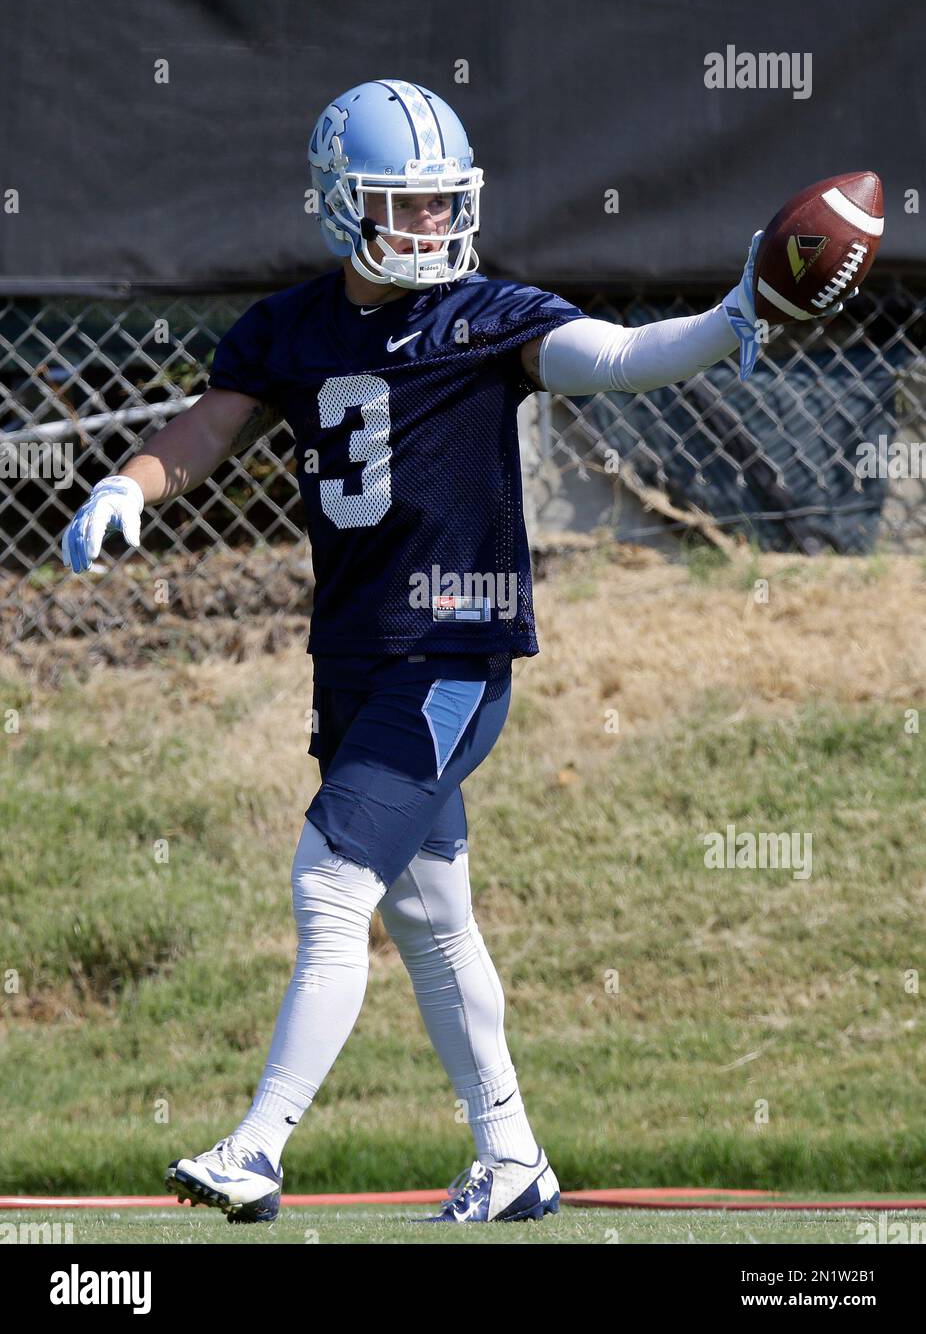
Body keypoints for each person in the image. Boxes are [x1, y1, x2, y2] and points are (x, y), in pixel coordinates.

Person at [61, 78, 843, 1224]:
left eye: (443, 202)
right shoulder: (288, 326)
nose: (433, 224)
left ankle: (256, 1145)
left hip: (452, 653)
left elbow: (619, 356)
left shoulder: (485, 318)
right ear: (343, 205)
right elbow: (211, 425)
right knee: (431, 920)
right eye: (408, 204)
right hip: (356, 656)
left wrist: (730, 321)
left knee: (331, 887)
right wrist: (126, 483)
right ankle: (514, 1156)